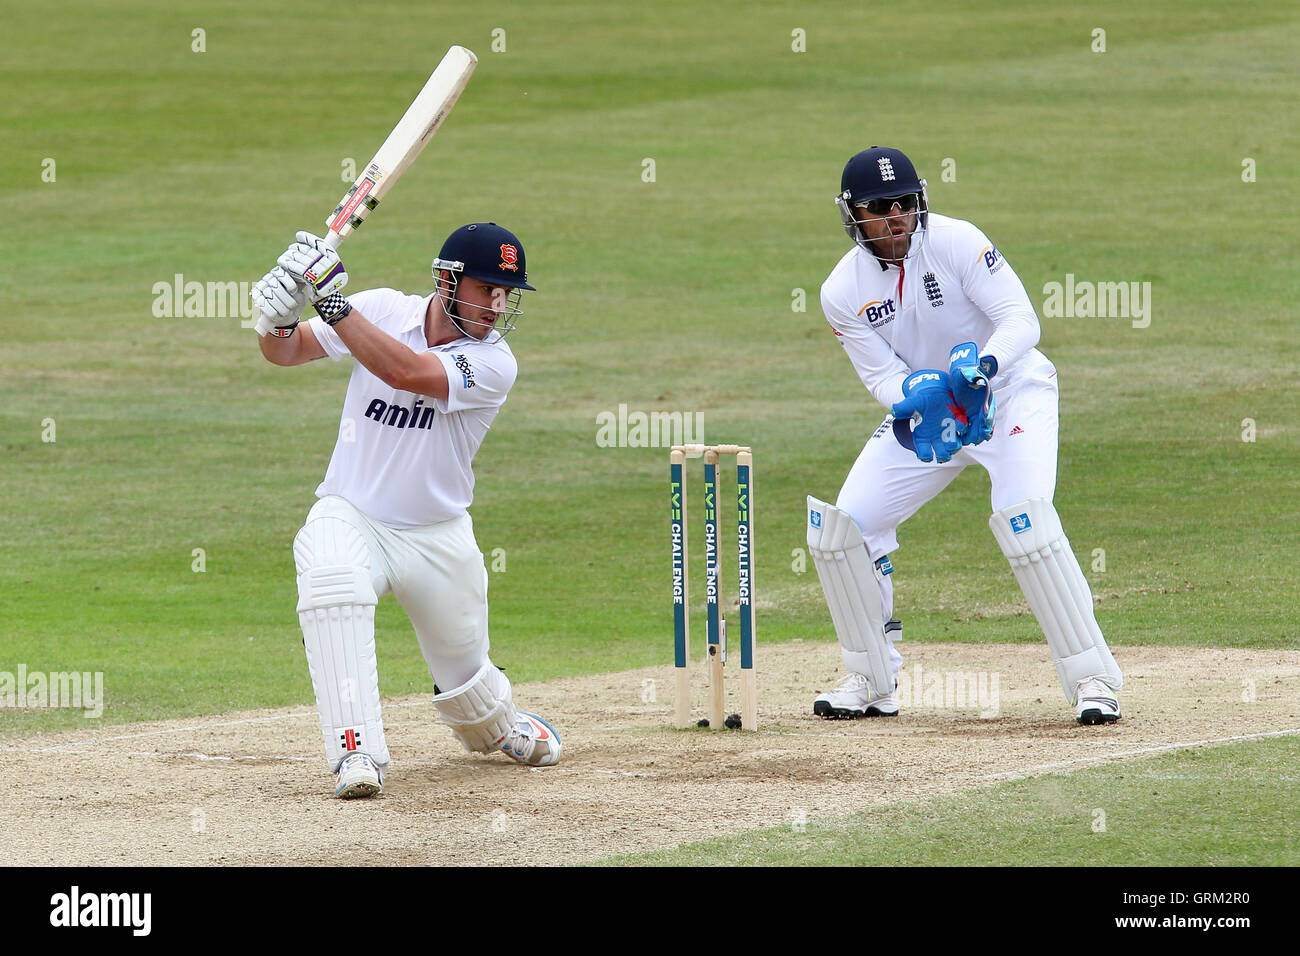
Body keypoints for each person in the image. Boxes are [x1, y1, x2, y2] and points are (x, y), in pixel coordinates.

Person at [807, 146, 1122, 725]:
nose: (896, 215)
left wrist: (984, 371)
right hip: (934, 414)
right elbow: (881, 374)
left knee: (1023, 517)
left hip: (1011, 393)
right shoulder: (841, 290)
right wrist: (916, 398)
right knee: (845, 526)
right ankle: (872, 679)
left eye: (903, 202)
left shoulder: (957, 242)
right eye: (880, 208)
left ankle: (1093, 679)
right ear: (854, 215)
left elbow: (1021, 320)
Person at [249, 222, 562, 798]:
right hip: (354, 513)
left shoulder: (495, 363)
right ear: (447, 280)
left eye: (505, 293)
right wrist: (279, 313)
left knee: (468, 686)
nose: (496, 305)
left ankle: (500, 725)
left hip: (437, 536)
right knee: (330, 579)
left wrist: (331, 299)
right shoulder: (382, 309)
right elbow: (284, 352)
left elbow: (405, 372)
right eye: (485, 288)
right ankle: (356, 753)